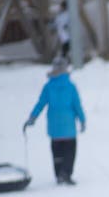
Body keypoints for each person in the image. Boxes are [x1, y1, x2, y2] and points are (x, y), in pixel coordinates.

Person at [24, 57, 86, 185]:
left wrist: (32, 118)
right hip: (69, 128)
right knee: (70, 152)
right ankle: (66, 174)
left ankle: (59, 174)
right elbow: (77, 105)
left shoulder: (48, 86)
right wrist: (82, 120)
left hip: (54, 128)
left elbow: (40, 104)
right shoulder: (70, 86)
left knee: (57, 152)